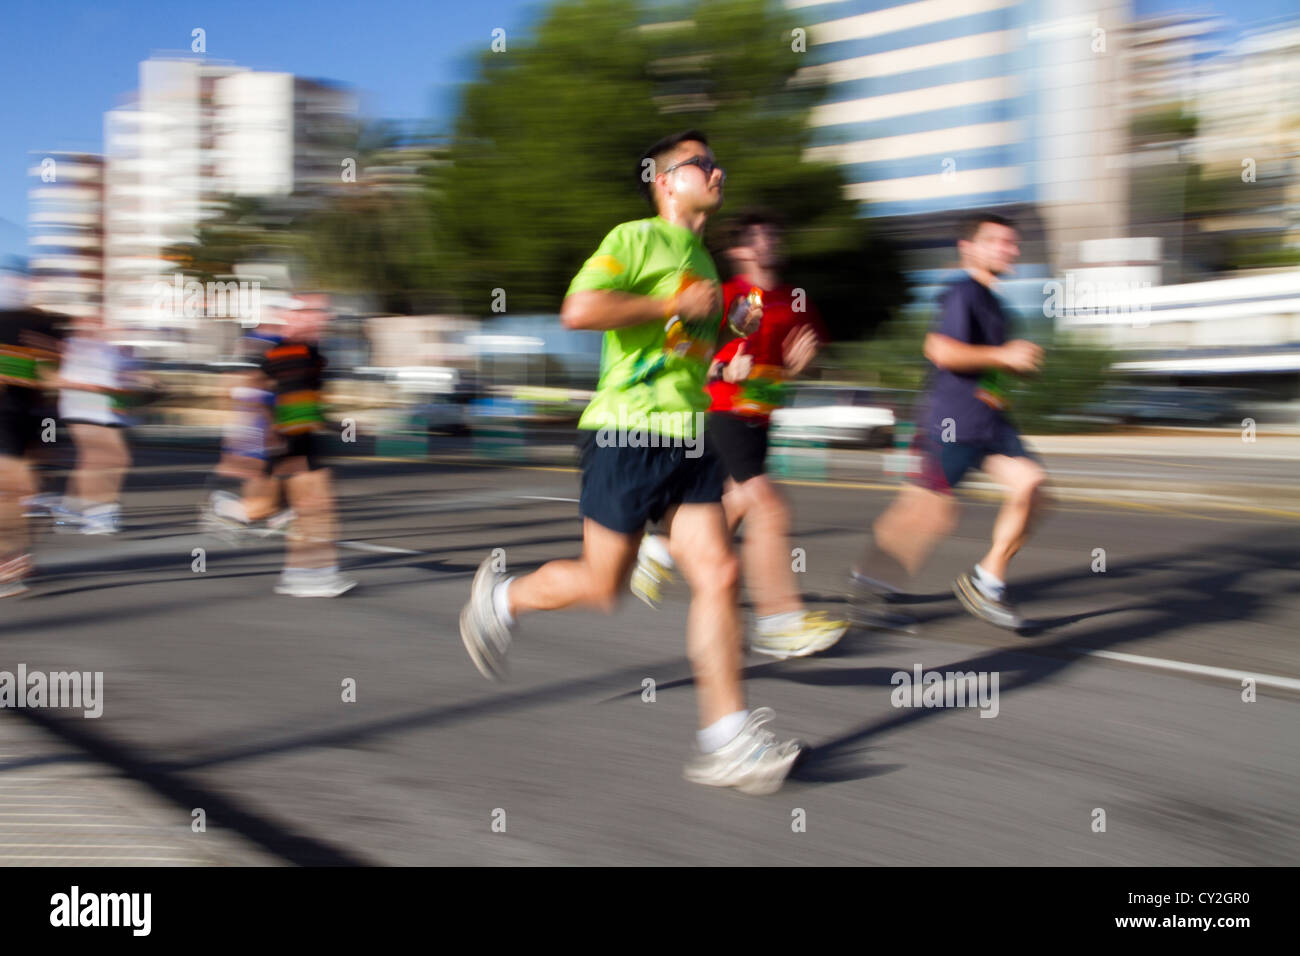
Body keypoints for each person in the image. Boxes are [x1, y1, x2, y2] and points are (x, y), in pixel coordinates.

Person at [458, 130, 802, 794]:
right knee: (602, 585)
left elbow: (682, 346)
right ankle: (500, 600)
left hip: (690, 432)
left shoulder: (702, 257)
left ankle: (726, 741)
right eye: (703, 163)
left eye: (717, 162)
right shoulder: (633, 239)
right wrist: (670, 302)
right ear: (667, 180)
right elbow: (579, 310)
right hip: (626, 432)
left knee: (720, 572)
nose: (718, 170)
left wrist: (723, 342)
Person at [631, 209, 848, 658]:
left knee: (735, 503)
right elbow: (678, 348)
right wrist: (724, 367)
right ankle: (777, 621)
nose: (765, 243)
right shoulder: (725, 295)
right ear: (737, 250)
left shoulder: (795, 300)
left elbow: (800, 362)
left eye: (771, 236)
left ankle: (661, 549)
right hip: (719, 411)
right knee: (767, 504)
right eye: (754, 238)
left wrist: (802, 367)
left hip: (761, 418)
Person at [850, 212, 1046, 630]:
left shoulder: (995, 303)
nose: (1009, 249)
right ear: (968, 248)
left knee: (1033, 486)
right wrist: (1005, 356)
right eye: (996, 241)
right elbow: (940, 349)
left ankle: (986, 582)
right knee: (927, 513)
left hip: (991, 422)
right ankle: (870, 589)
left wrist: (1016, 366)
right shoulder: (963, 293)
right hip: (952, 421)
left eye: (1012, 242)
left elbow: (984, 362)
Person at [255, 293, 354, 597]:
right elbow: (267, 390)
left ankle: (301, 574)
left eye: (323, 311)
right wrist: (278, 431)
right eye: (313, 311)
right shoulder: (292, 350)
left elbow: (302, 397)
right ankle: (312, 575)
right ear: (294, 316)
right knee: (315, 505)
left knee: (304, 508)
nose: (321, 317)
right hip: (292, 438)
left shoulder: (310, 352)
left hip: (297, 436)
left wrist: (329, 422)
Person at [0, 264, 66, 597]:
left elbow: (55, 372)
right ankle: (6, 560)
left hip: (37, 415)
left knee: (29, 489)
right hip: (7, 412)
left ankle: (13, 555)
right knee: (11, 487)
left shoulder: (45, 322)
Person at [54, 316, 134, 534]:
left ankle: (70, 510)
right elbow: (60, 379)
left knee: (92, 460)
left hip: (105, 410)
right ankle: (97, 514)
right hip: (82, 407)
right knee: (111, 458)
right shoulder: (79, 345)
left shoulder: (120, 349)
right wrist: (93, 387)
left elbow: (122, 379)